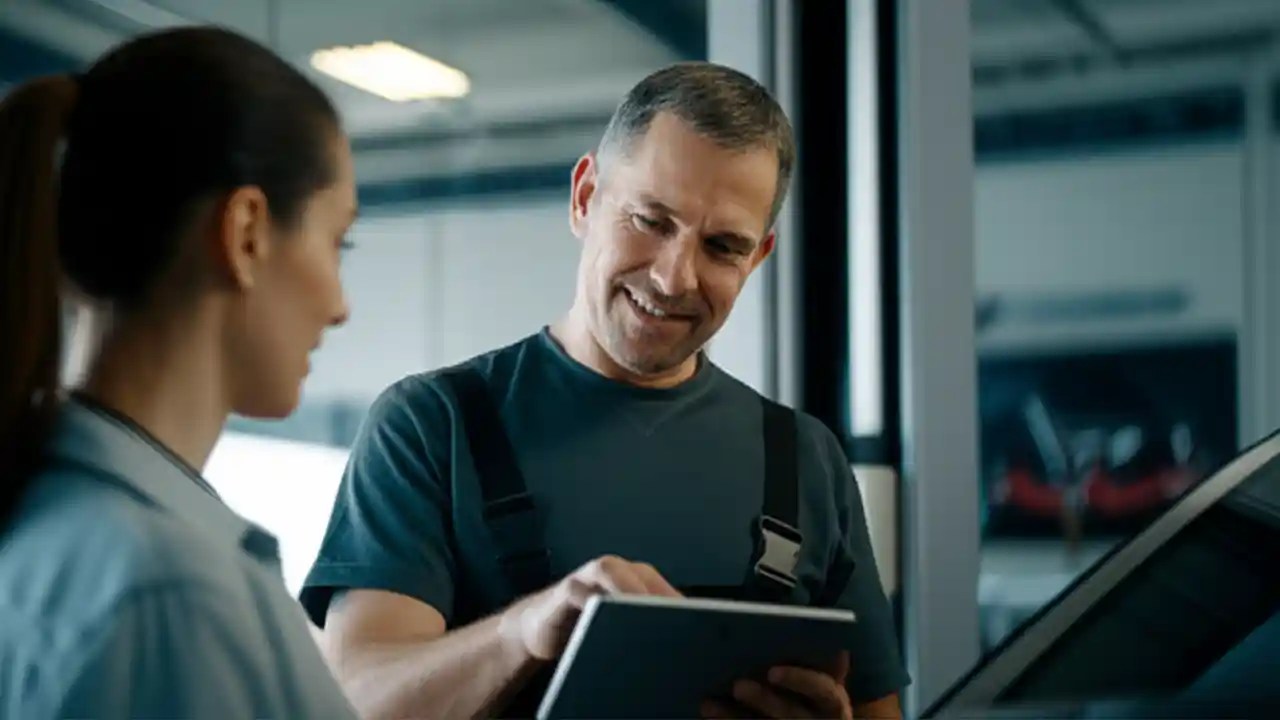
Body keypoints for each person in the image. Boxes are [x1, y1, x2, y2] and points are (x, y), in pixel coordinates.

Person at [302, 62, 908, 720]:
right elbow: (357, 704)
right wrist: (524, 631)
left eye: (722, 247)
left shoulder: (806, 461)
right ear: (586, 197)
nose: (675, 277)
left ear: (757, 257)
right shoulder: (430, 428)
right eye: (651, 220)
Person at [0, 26, 360, 719]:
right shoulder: (172, 590)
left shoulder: (50, 525)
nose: (341, 306)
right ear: (246, 232)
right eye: (335, 240)